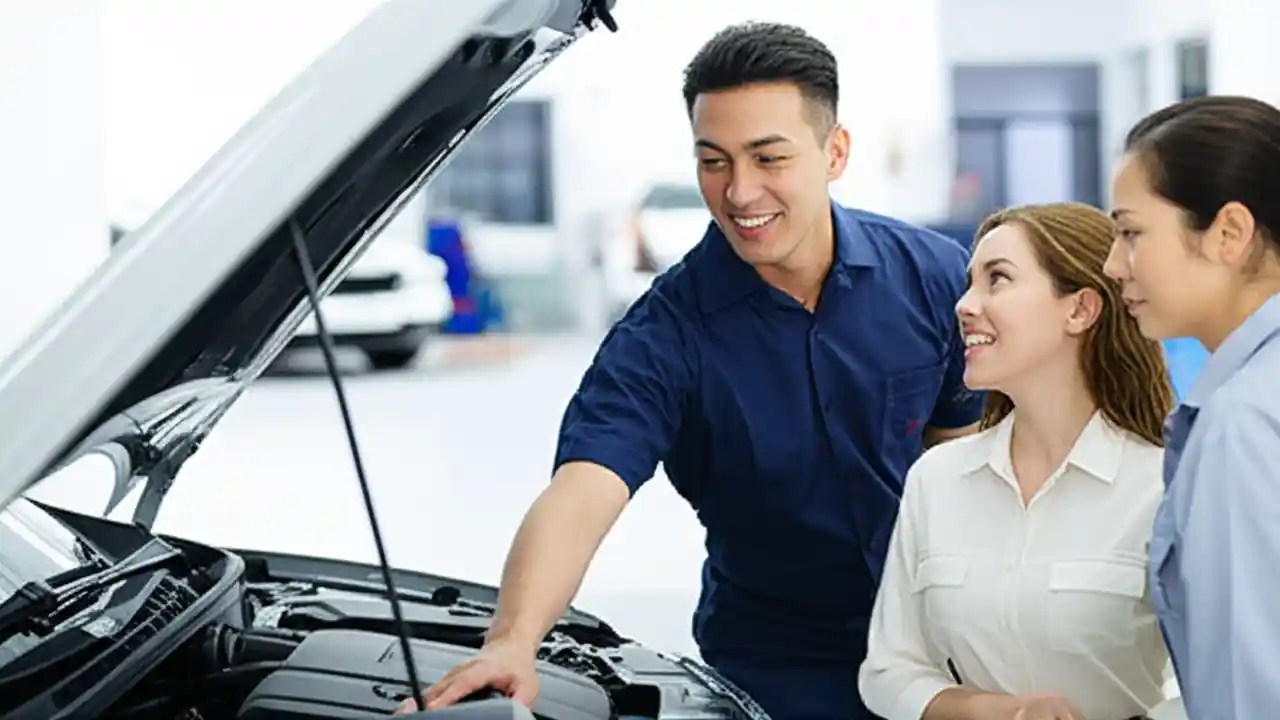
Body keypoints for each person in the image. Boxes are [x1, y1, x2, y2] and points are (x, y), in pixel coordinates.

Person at [397, 21, 983, 719]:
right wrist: (512, 642)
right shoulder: (663, 335)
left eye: (769, 158)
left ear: (835, 152)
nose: (739, 192)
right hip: (777, 672)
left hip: (945, 648)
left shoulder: (935, 277)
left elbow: (964, 453)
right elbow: (582, 494)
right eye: (714, 161)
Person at [858, 202, 1177, 720]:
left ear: (1080, 310)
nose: (965, 304)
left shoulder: (1166, 487)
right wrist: (996, 710)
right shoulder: (936, 480)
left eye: (997, 279)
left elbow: (1220, 681)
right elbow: (889, 671)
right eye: (969, 282)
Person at [1104, 95, 1280, 719]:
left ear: (1229, 233)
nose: (1113, 265)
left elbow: (1250, 688)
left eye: (1131, 233)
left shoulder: (1245, 421)